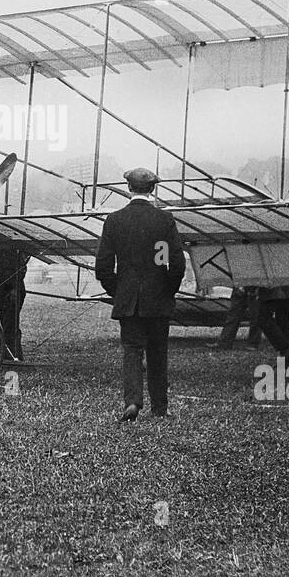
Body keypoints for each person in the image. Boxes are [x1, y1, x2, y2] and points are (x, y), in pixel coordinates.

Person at [94, 167, 187, 422]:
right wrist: (167, 289)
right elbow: (174, 263)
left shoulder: (114, 220)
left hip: (128, 300)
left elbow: (102, 266)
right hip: (158, 299)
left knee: (132, 351)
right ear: (153, 189)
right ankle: (160, 407)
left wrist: (119, 291)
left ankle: (133, 402)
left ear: (129, 188)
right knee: (158, 352)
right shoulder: (164, 220)